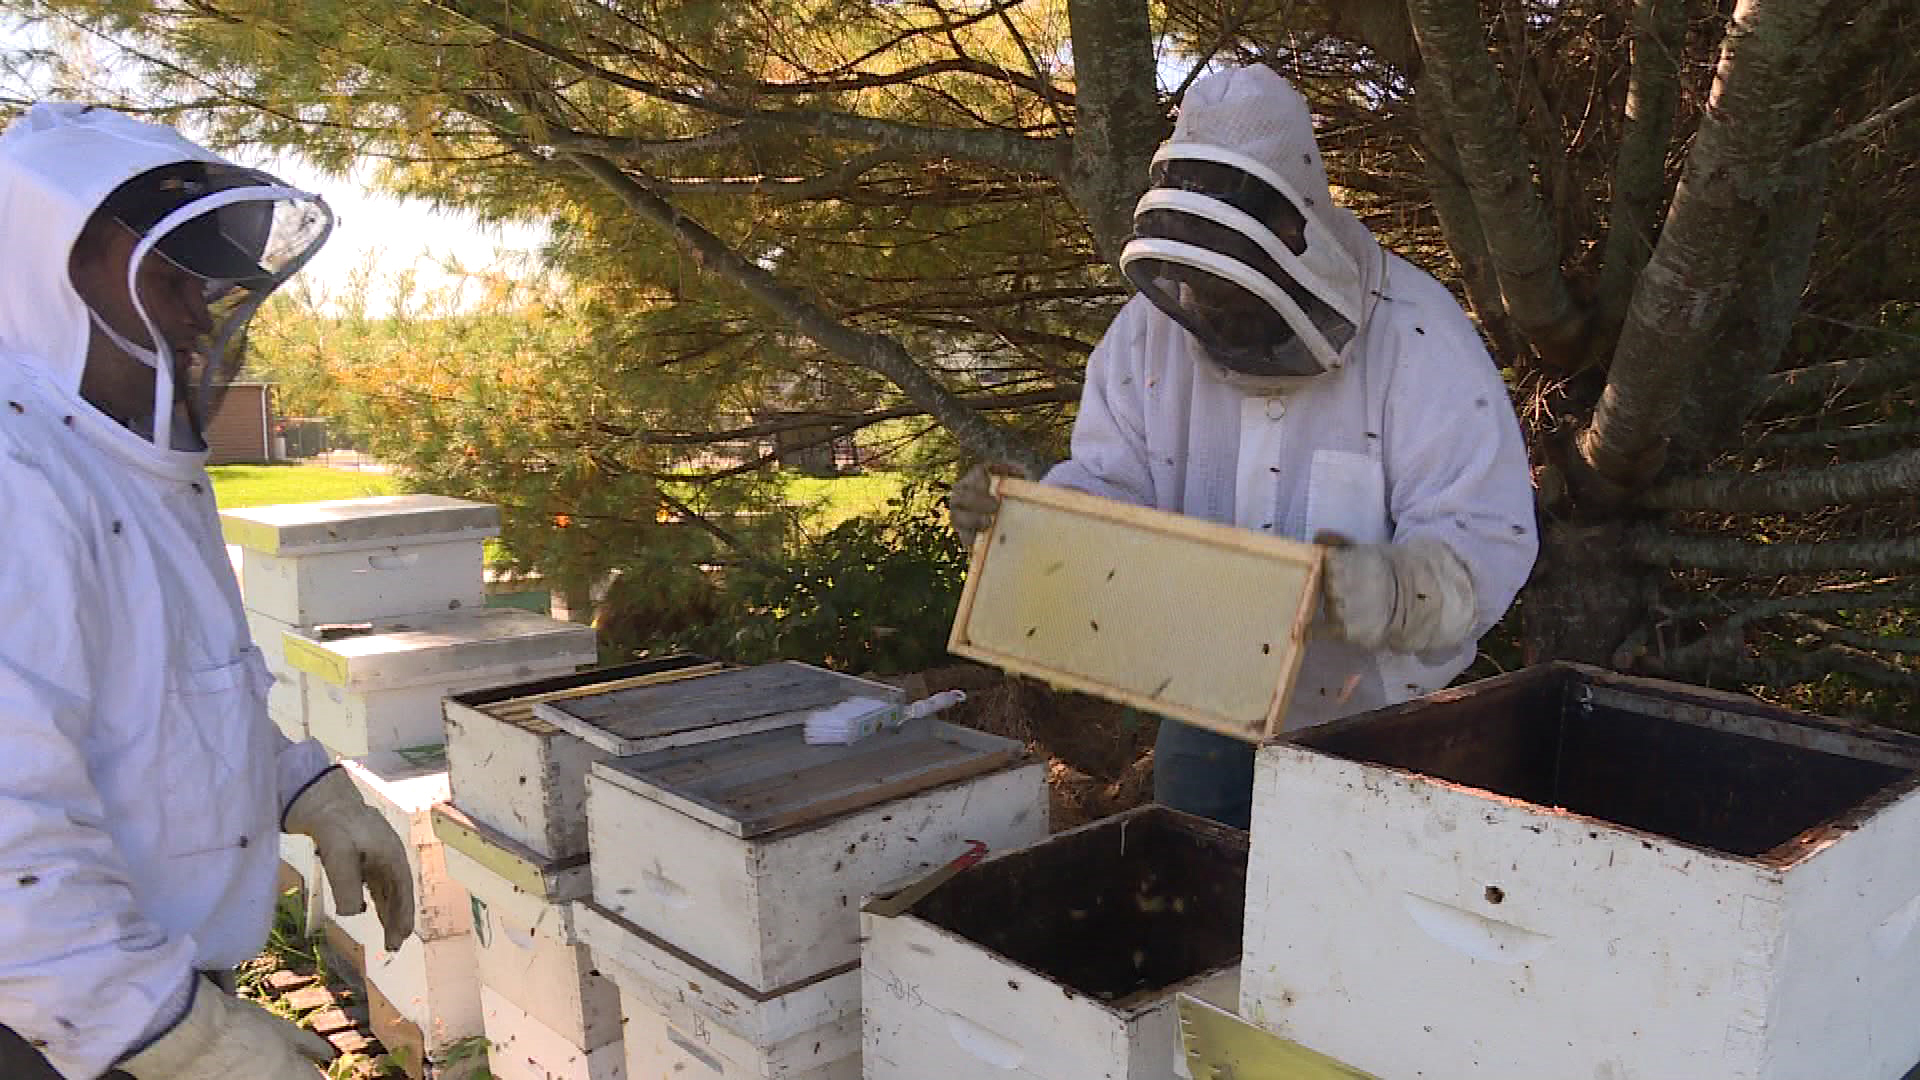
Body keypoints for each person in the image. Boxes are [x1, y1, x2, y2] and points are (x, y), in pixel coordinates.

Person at [950, 65, 1539, 829]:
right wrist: (1032, 524)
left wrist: (1401, 589)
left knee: (1347, 907)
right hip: (1203, 687)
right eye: (1206, 289)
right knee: (1202, 891)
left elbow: (1489, 535)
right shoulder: (1148, 333)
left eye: (1236, 294)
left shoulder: (1420, 336)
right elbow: (1113, 481)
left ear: (1297, 235)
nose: (1217, 317)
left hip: (1378, 712)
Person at [0, 104, 416, 1080]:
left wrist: (303, 787)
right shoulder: (18, 478)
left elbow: (169, 689)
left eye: (205, 281)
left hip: (134, 993)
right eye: (171, 276)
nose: (197, 312)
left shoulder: (114, 459)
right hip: (55, 1027)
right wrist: (177, 1040)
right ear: (59, 263)